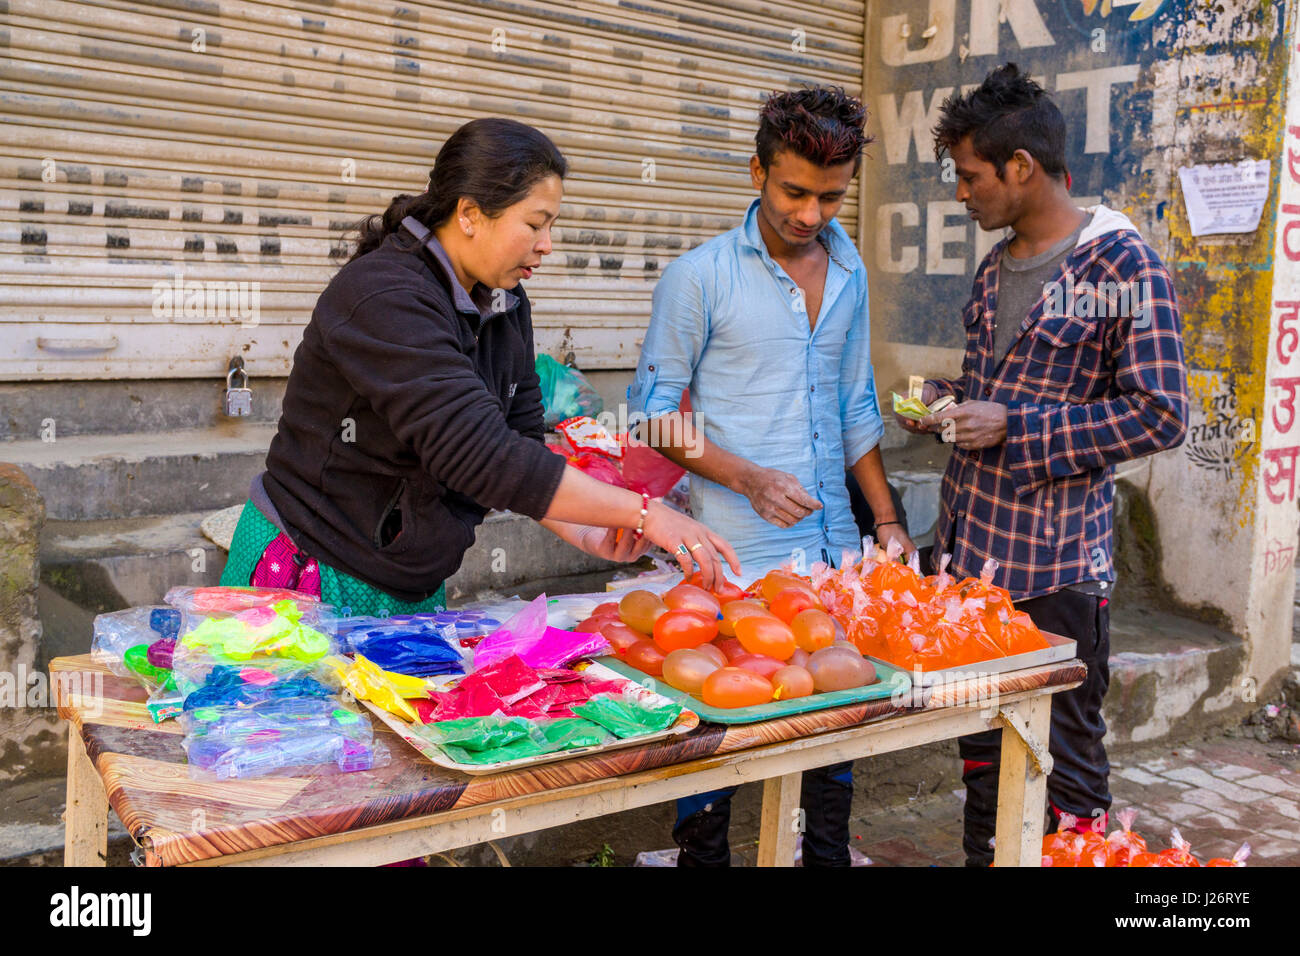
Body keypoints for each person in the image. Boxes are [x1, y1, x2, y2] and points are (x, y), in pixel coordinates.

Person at [221, 118, 739, 615]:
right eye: (535, 224)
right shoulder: (383, 296)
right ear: (469, 214)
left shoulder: (505, 303)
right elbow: (479, 454)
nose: (547, 244)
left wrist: (587, 531)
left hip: (410, 579)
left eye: (551, 225)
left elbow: (519, 447)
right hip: (309, 570)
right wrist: (644, 511)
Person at [895, 64, 1189, 865]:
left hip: (1055, 570)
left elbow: (1162, 412)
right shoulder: (996, 268)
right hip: (968, 559)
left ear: (1021, 168)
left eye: (969, 176)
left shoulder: (1126, 269)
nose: (962, 194)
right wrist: (946, 399)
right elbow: (995, 391)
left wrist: (1016, 427)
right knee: (984, 751)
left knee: (1066, 763)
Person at [630, 87, 914, 867]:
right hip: (733, 549)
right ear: (757, 170)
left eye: (830, 195)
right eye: (794, 191)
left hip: (832, 546)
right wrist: (749, 477)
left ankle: (824, 854)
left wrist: (885, 520)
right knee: (718, 719)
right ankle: (701, 857)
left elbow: (855, 401)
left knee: (835, 701)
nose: (810, 213)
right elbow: (651, 415)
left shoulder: (850, 270)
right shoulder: (700, 277)